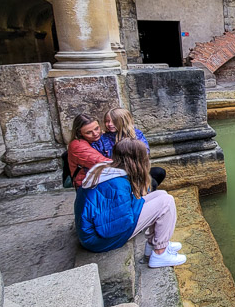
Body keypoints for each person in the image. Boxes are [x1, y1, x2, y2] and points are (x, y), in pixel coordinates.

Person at [75, 139, 186, 267]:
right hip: (98, 240)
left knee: (162, 195)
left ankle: (153, 244)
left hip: (93, 231)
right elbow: (114, 225)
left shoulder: (107, 169)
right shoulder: (117, 184)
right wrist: (141, 214)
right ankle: (160, 253)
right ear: (136, 160)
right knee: (166, 202)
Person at [94, 107, 166, 189]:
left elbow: (145, 152)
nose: (110, 124)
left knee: (159, 172)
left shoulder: (137, 134)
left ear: (124, 121)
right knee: (153, 183)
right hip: (116, 174)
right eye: (107, 121)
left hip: (136, 170)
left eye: (114, 121)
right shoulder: (102, 140)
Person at [67, 114, 111, 189]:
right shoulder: (77, 145)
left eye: (96, 128)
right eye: (88, 132)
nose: (95, 133)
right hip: (88, 186)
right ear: (79, 133)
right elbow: (100, 162)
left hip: (102, 180)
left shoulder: (103, 137)